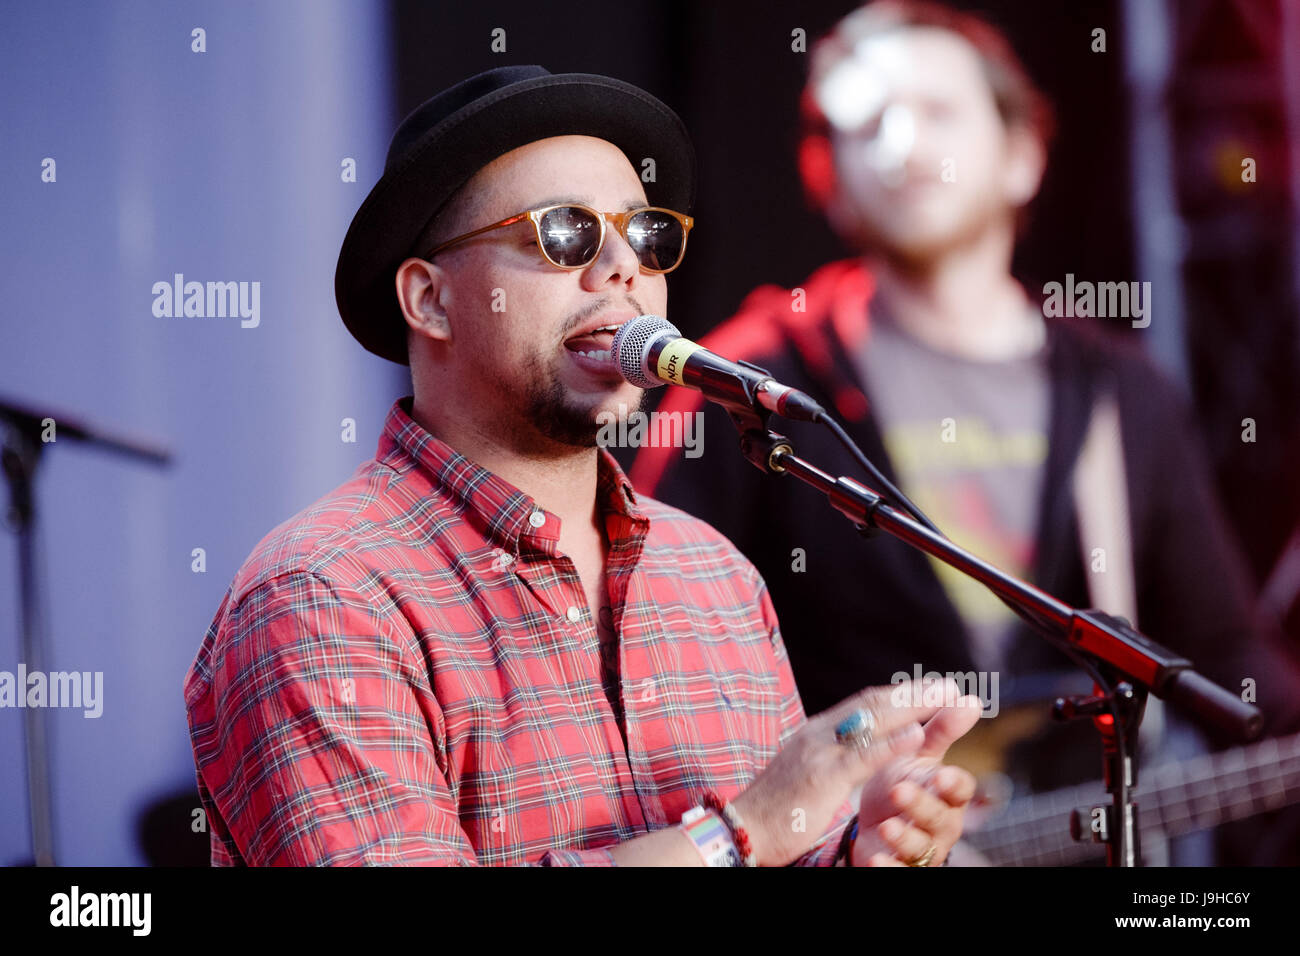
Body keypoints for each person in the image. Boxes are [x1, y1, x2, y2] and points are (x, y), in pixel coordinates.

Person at [183, 65, 981, 867]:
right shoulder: (322, 595)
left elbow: (781, 846)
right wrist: (735, 836)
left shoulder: (716, 576)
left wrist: (859, 851)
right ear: (430, 299)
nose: (624, 267)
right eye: (565, 232)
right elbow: (753, 836)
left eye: (647, 235)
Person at [632, 2, 1300, 864]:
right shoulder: (752, 383)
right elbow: (655, 652)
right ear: (827, 176)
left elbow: (1229, 656)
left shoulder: (1121, 394)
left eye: (937, 111)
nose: (903, 146)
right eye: (866, 123)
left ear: (1023, 156)